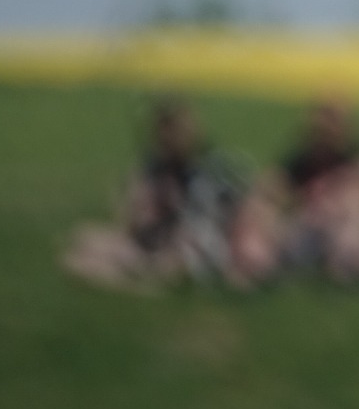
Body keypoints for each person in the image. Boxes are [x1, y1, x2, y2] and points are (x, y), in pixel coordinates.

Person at [62, 98, 249, 291]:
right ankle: (126, 274)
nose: (168, 136)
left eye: (175, 128)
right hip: (156, 242)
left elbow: (204, 226)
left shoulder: (207, 168)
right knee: (80, 240)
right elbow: (134, 218)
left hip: (186, 249)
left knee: (83, 262)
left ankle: (136, 284)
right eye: (164, 128)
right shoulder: (158, 166)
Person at [233, 98, 359, 285]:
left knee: (354, 204)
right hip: (307, 229)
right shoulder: (303, 159)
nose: (327, 127)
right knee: (260, 212)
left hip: (339, 230)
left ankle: (346, 267)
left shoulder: (357, 157)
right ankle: (254, 264)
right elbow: (272, 186)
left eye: (333, 119)